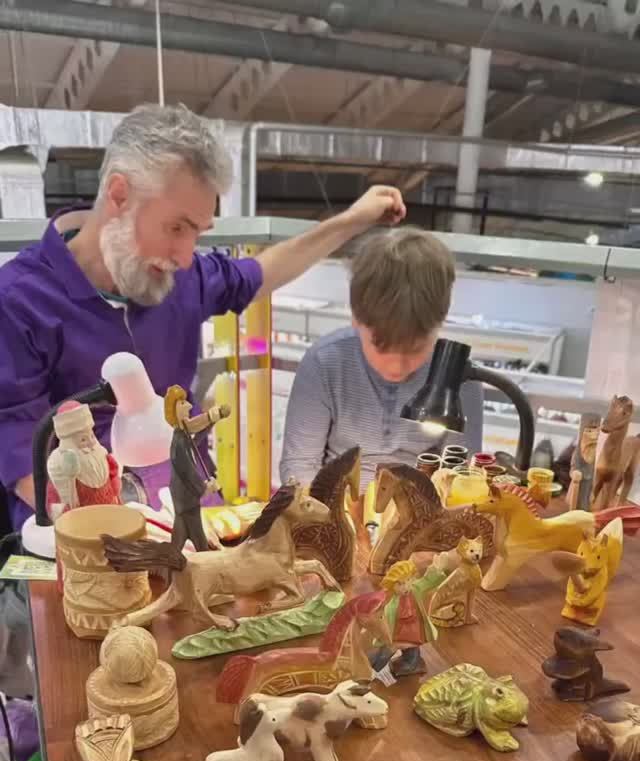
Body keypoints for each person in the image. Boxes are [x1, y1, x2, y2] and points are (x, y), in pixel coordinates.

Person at [0, 103, 407, 529]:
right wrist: (123, 528)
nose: (184, 255)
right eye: (176, 227)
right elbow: (25, 462)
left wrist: (352, 221)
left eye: (197, 232)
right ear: (119, 195)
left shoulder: (179, 276)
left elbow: (260, 274)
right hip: (85, 526)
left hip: (190, 507)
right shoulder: (20, 302)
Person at [279, 227, 483, 491]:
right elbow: (300, 467)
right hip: (331, 506)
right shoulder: (325, 362)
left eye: (414, 349)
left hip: (422, 510)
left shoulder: (460, 379)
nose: (396, 368)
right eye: (380, 346)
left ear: (440, 322)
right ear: (356, 317)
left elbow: (459, 480)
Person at [163, 383, 229, 553]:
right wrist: (205, 488)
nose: (189, 406)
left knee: (181, 535)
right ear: (175, 410)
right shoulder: (179, 443)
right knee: (196, 536)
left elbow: (195, 437)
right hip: (186, 498)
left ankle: (175, 556)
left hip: (183, 500)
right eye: (183, 403)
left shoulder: (183, 436)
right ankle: (201, 555)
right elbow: (188, 472)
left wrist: (212, 421)